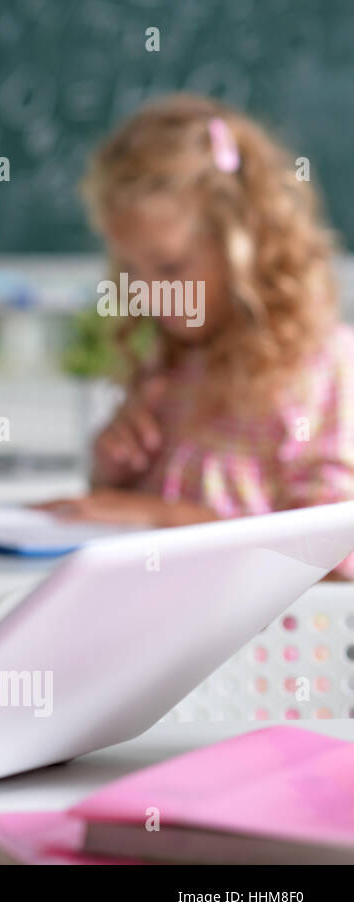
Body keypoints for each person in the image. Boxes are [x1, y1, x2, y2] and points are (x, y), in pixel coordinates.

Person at [39, 93, 354, 580]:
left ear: (245, 246)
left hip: (265, 646)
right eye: (130, 269)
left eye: (169, 267)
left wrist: (163, 518)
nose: (145, 292)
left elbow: (338, 551)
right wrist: (113, 475)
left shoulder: (322, 366)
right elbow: (139, 515)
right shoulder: (174, 360)